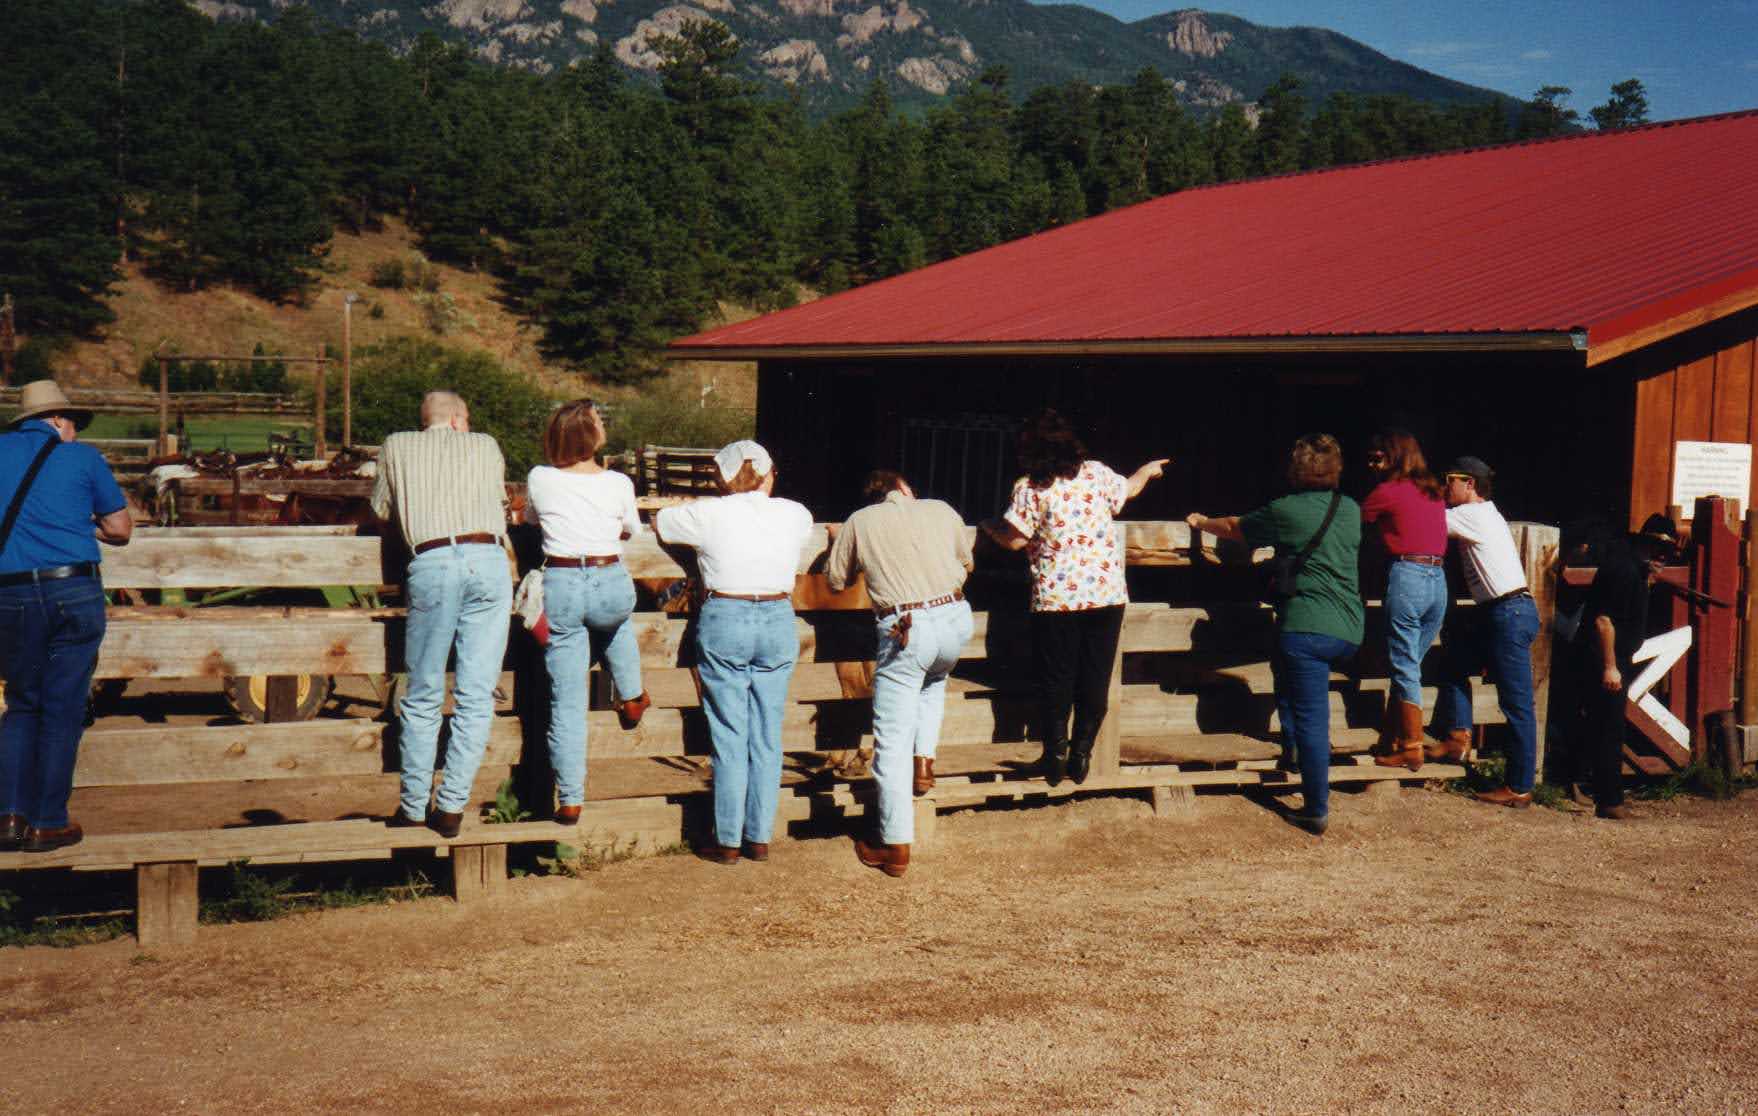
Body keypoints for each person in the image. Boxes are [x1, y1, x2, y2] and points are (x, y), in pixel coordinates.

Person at [980, 409, 1167, 788]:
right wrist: (1146, 471)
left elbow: (1015, 539)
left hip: (1057, 597)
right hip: (1105, 593)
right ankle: (1083, 750)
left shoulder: (1029, 488)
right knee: (1095, 676)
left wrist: (988, 528)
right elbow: (1127, 490)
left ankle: (1055, 754)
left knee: (1056, 677)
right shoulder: (1097, 473)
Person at [1188, 434, 1362, 836]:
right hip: (1349, 628)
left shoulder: (1286, 510)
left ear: (1296, 469)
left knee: (1312, 716)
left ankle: (1316, 807)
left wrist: (1200, 522)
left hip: (1307, 625)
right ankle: (1292, 752)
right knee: (1285, 667)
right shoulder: (1350, 509)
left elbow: (1235, 528)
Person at [655, 440, 812, 865]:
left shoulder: (708, 513)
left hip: (726, 613)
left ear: (723, 478)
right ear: (768, 473)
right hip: (778, 615)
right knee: (767, 732)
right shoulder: (795, 513)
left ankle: (727, 838)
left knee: (729, 732)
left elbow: (662, 522)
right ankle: (758, 835)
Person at [371, 390, 512, 838]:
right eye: (466, 419)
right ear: (455, 421)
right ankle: (451, 806)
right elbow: (500, 505)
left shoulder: (395, 445)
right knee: (475, 693)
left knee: (423, 690)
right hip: (489, 563)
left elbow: (380, 510)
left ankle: (413, 806)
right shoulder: (487, 445)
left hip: (432, 563)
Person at [0, 381, 132, 852]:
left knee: (21, 704)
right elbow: (120, 529)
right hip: (70, 588)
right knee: (62, 708)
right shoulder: (83, 457)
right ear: (57, 419)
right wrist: (83, 522)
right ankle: (48, 820)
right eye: (72, 422)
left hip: (9, 593)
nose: (74, 431)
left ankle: (9, 817)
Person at [825, 469, 974, 878]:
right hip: (956, 618)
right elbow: (967, 558)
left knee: (890, 740)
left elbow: (836, 581)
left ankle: (895, 846)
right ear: (904, 490)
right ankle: (924, 761)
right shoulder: (940, 509)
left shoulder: (860, 521)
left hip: (907, 627)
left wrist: (842, 542)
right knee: (935, 682)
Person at [523, 400, 649, 827]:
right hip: (607, 575)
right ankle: (631, 696)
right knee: (616, 622)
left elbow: (530, 518)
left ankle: (571, 800)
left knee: (566, 704)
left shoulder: (540, 477)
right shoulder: (617, 481)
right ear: (590, 436)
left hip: (561, 584)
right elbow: (632, 529)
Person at [1433, 455, 1542, 807]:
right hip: (1503, 611)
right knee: (1454, 660)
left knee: (1517, 704)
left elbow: (1426, 519)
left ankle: (1520, 786)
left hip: (1507, 612)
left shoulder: (1473, 514)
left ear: (1470, 484)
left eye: (1449, 479)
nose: (1444, 486)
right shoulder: (1482, 514)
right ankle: (1458, 736)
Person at [1578, 513, 1679, 820]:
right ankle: (1610, 801)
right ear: (1642, 544)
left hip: (1614, 656)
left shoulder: (1634, 567)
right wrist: (1610, 666)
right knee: (1610, 728)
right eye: (1655, 550)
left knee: (1603, 725)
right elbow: (1603, 621)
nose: (1661, 558)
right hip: (1607, 657)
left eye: (1666, 554)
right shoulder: (1624, 570)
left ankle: (1594, 789)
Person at [1360, 429, 1449, 772]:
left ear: (1394, 456)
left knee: (1405, 665)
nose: (1372, 464)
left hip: (1408, 575)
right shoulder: (1434, 492)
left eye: (1378, 457)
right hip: (1437, 579)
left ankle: (1411, 747)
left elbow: (1356, 521)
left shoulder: (1387, 491)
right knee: (1410, 664)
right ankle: (1393, 737)